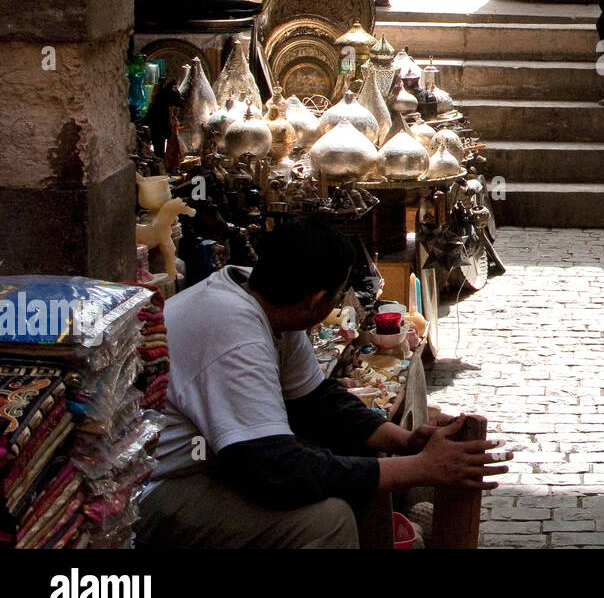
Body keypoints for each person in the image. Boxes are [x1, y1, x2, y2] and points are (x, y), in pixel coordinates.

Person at [136, 218, 510, 549]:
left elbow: (314, 401)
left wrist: (405, 443)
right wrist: (421, 468)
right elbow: (274, 472)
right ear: (318, 300)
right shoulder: (234, 331)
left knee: (357, 459)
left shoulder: (264, 298)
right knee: (326, 522)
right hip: (159, 487)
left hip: (216, 460)